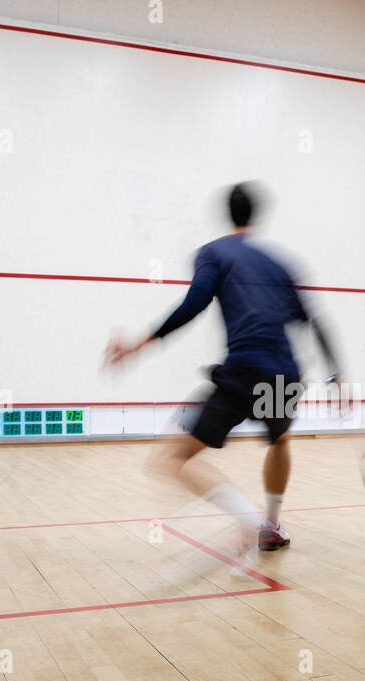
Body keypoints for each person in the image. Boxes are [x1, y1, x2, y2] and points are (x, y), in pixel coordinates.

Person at [103, 183, 340, 553]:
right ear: (256, 214)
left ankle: (246, 517)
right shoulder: (280, 263)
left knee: (171, 456)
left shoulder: (214, 253)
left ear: (228, 214)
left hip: (245, 371)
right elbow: (315, 320)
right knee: (280, 442)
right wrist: (335, 376)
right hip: (284, 375)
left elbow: (193, 305)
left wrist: (138, 344)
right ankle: (271, 526)